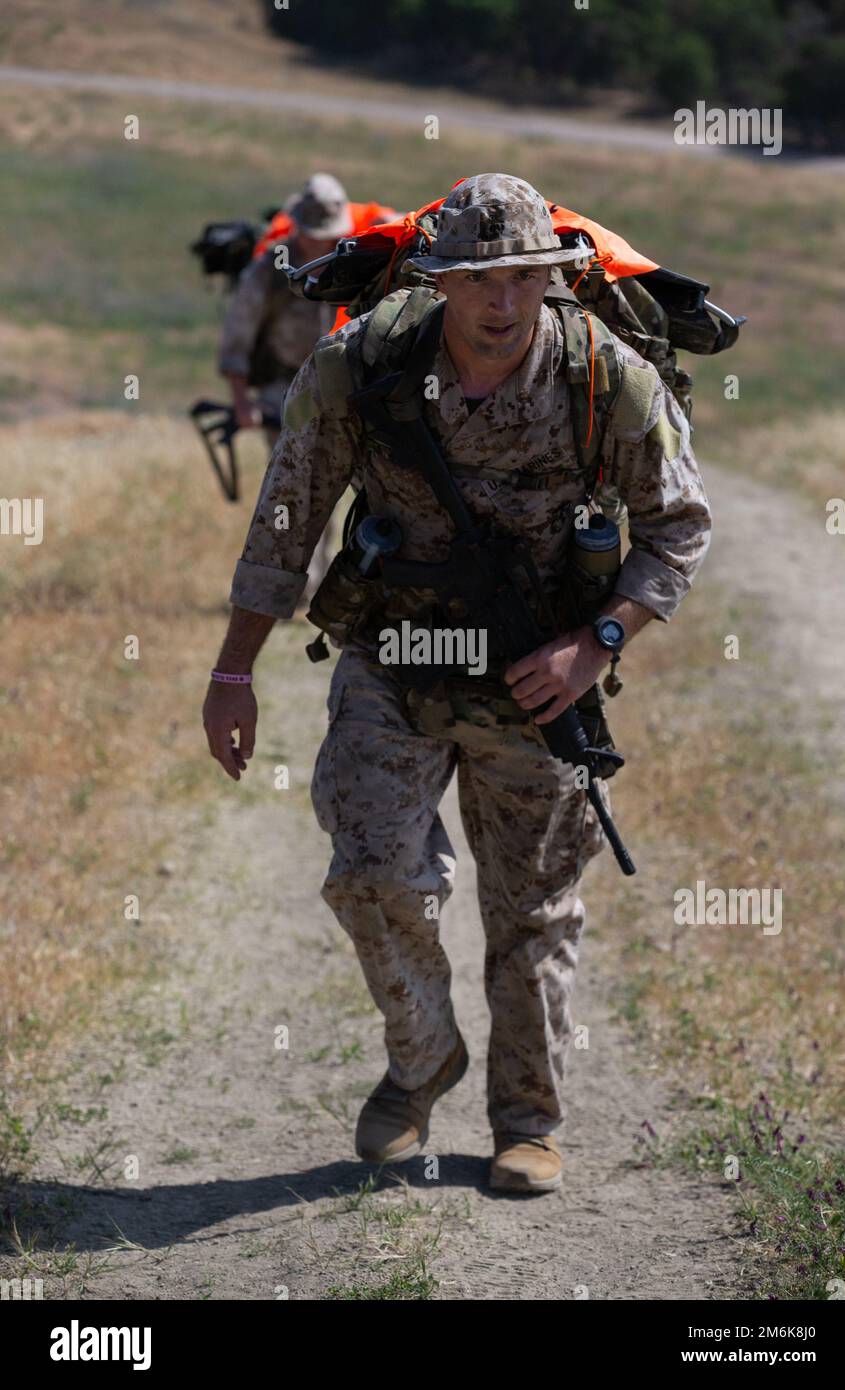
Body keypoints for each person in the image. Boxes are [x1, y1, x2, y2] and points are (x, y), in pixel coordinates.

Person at [203, 174, 712, 1193]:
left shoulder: (601, 380)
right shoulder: (363, 369)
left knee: (529, 911)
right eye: (479, 278)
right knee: (369, 869)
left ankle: (526, 1120)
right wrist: (232, 668)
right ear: (437, 281)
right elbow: (285, 518)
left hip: (538, 681)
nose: (501, 300)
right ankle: (422, 1051)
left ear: (553, 279)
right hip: (393, 657)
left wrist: (597, 642)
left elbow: (677, 528)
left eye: (524, 277)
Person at [217, 173, 348, 597]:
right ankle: (283, 582)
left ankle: (320, 584)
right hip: (281, 389)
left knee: (328, 486)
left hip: (337, 389)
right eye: (312, 235)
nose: (319, 244)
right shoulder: (268, 272)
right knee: (291, 488)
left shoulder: (349, 264)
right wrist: (242, 401)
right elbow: (237, 338)